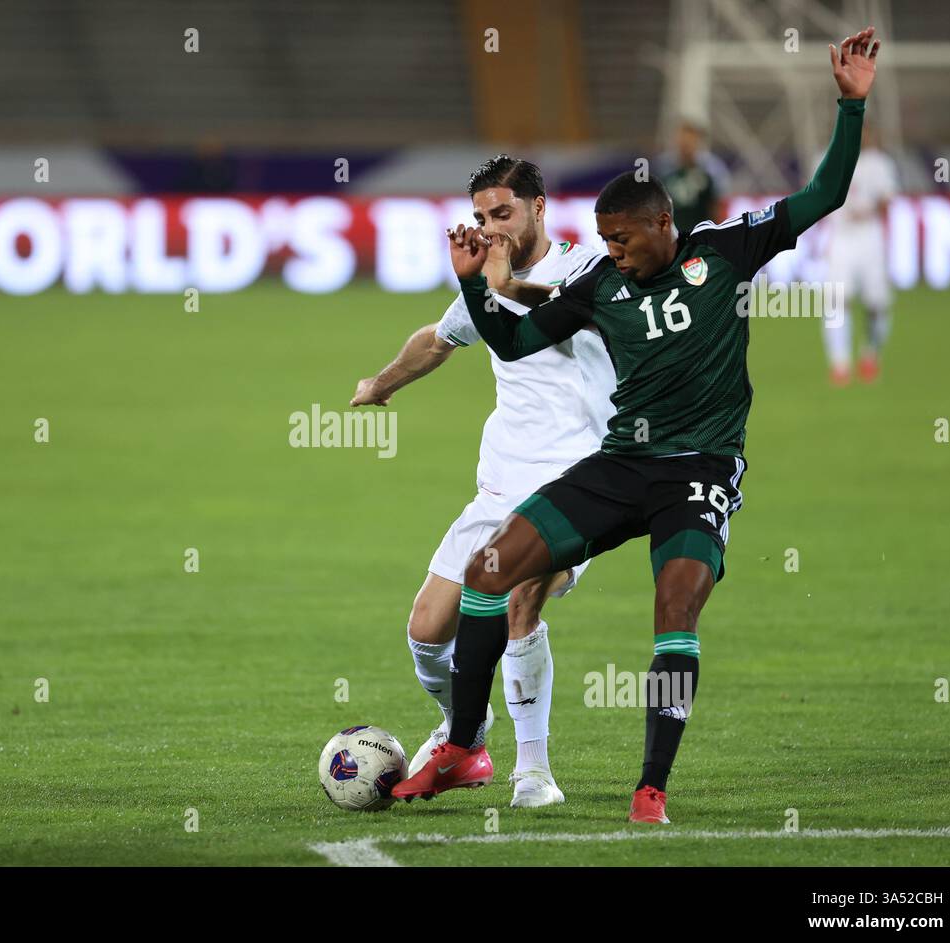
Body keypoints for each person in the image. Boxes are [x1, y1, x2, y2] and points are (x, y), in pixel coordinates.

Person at [392, 27, 881, 823]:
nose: (611, 254)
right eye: (604, 242)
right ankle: (461, 744)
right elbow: (514, 341)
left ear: (661, 226)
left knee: (673, 614)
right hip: (621, 465)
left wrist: (850, 106)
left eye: (621, 240)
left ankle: (651, 786)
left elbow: (824, 194)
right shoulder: (600, 287)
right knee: (489, 569)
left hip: (700, 472)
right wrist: (479, 286)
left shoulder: (726, 251)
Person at [352, 156, 615, 807]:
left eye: (503, 213)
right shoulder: (486, 279)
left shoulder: (590, 272)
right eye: (481, 216)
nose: (491, 226)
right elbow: (439, 339)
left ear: (538, 207)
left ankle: (535, 774)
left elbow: (565, 311)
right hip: (498, 488)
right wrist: (381, 384)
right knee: (425, 632)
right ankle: (466, 736)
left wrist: (497, 282)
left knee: (521, 599)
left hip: (577, 485)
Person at [822, 124, 897, 384]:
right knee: (836, 301)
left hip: (869, 237)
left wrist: (869, 209)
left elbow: (887, 200)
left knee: (877, 303)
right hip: (841, 238)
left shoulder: (879, 163)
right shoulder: (827, 158)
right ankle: (840, 363)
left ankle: (870, 355)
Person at [658, 121, 731, 235]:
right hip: (673, 235)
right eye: (682, 143)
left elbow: (717, 205)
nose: (685, 147)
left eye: (689, 143)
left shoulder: (711, 170)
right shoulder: (664, 170)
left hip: (701, 234)